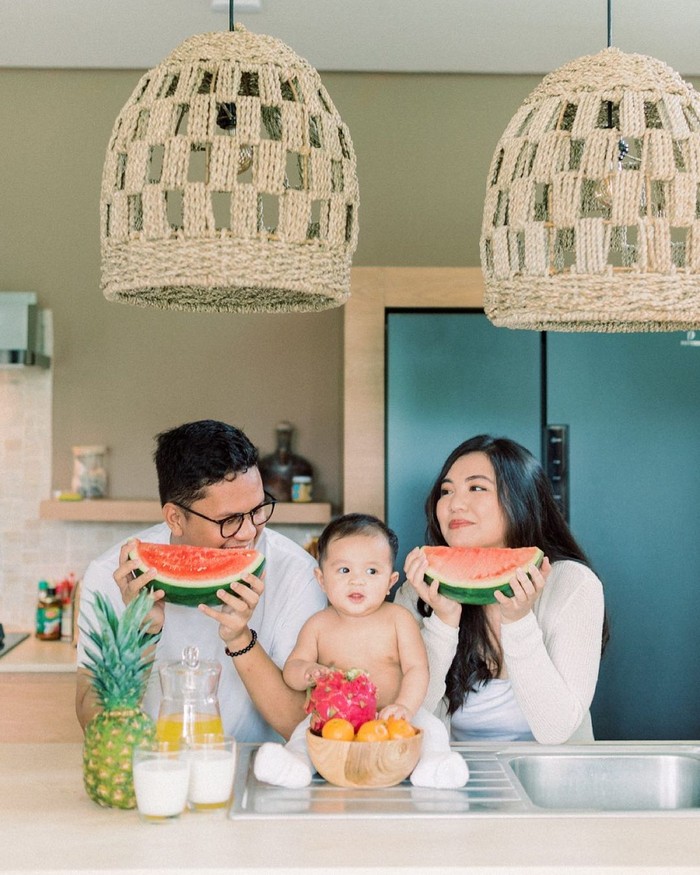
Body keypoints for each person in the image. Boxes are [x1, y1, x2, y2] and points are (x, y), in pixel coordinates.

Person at [75, 419, 327, 743]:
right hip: (153, 772)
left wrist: (240, 639)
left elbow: (301, 724)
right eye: (229, 520)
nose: (249, 532)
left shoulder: (297, 574)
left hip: (258, 774)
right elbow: (93, 724)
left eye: (257, 509)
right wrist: (140, 634)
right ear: (175, 518)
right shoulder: (110, 575)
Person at [394, 434, 607, 745]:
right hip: (451, 778)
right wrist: (442, 623)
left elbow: (556, 730)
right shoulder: (419, 589)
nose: (455, 503)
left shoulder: (572, 585)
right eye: (446, 490)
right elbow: (405, 720)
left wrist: (519, 620)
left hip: (554, 783)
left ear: (520, 500)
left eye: (477, 487)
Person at [253, 513, 469, 789]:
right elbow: (292, 670)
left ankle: (434, 766)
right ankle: (294, 765)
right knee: (303, 733)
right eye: (344, 571)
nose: (357, 581)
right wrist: (307, 672)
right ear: (321, 579)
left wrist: (405, 706)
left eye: (371, 572)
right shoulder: (318, 625)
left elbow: (417, 669)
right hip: (335, 720)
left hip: (392, 716)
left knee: (433, 728)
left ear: (391, 581)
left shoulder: (398, 619)